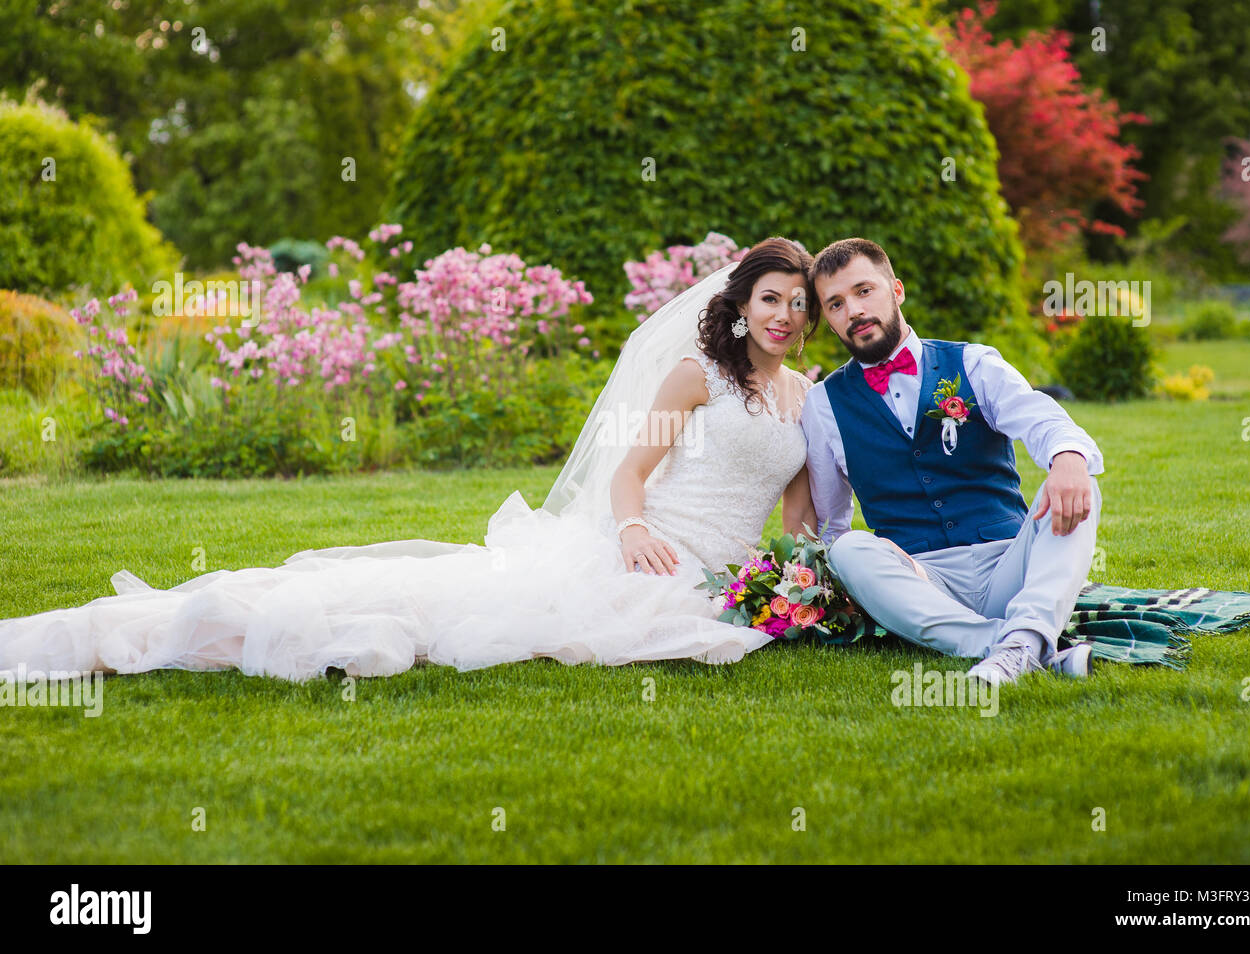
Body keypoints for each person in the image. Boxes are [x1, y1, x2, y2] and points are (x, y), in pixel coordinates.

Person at [0, 239, 823, 682]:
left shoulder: (807, 397)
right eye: (769, 299)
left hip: (734, 576)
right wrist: (634, 528)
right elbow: (626, 471)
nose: (784, 314)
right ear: (740, 308)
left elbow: (797, 519)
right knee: (466, 612)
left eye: (797, 302)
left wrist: (799, 585)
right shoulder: (698, 376)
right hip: (656, 548)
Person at [800, 238, 1102, 687]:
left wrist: (1069, 458)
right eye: (836, 304)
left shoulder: (974, 363)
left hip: (1009, 565)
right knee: (846, 550)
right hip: (923, 582)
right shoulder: (823, 404)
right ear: (828, 318)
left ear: (896, 290)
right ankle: (1021, 645)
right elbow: (831, 523)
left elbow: (1043, 420)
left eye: (865, 292)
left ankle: (1017, 642)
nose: (854, 311)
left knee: (1078, 481)